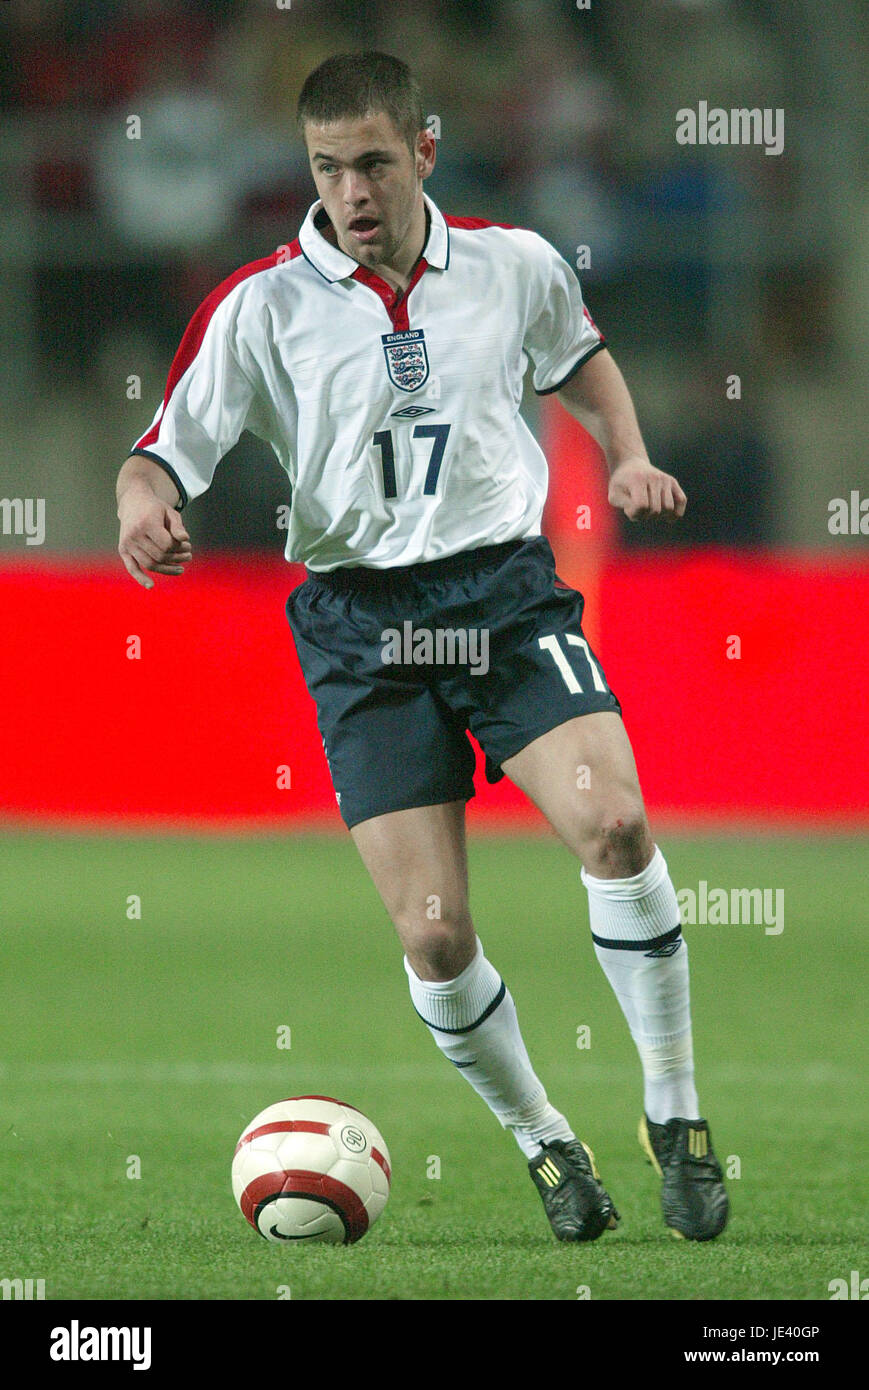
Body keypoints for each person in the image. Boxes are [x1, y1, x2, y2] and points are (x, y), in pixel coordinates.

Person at [116, 52, 728, 1243]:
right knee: (436, 933)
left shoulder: (512, 265)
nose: (351, 190)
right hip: (360, 627)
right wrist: (142, 501)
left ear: (425, 150)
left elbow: (581, 359)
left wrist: (626, 451)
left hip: (503, 596)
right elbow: (160, 447)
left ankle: (674, 1111)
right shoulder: (261, 305)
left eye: (373, 162)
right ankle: (548, 1142)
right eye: (327, 167)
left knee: (615, 824)